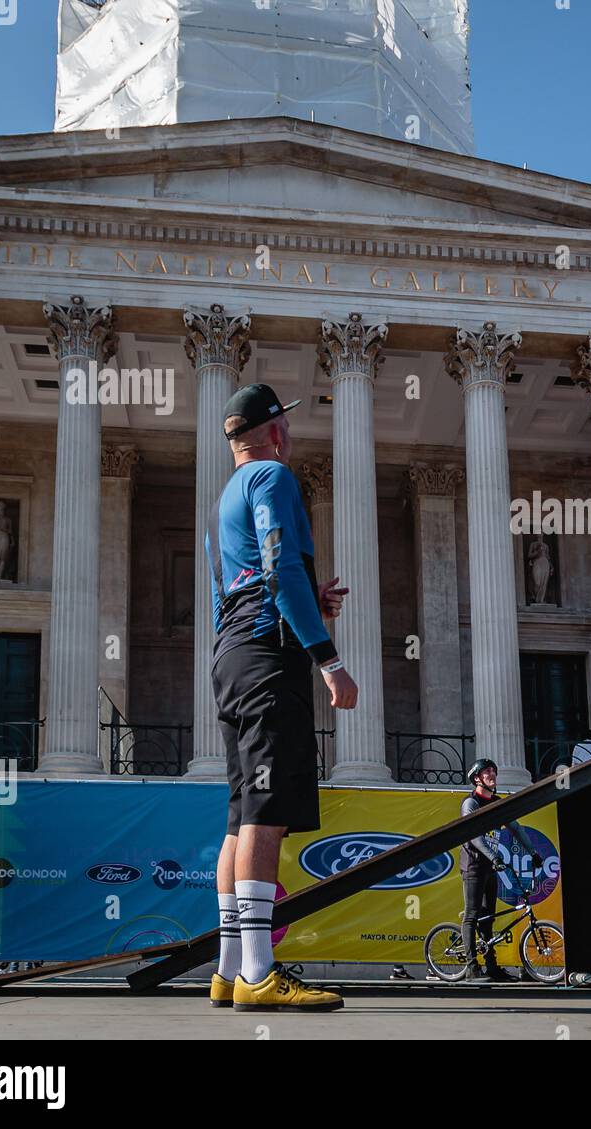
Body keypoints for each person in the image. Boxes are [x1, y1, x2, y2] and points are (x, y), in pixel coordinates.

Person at [204, 383, 359, 1013]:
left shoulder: (225, 497)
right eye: (285, 426)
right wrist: (330, 660)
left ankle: (228, 967)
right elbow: (279, 567)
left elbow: (240, 588)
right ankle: (260, 974)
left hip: (232, 653)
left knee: (242, 812)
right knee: (266, 809)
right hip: (268, 659)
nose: (288, 436)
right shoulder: (271, 479)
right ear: (273, 432)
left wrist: (303, 607)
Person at [459, 759, 541, 982]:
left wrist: (533, 853)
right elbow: (474, 836)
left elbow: (515, 828)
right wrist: (494, 857)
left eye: (494, 771)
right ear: (477, 778)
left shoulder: (497, 802)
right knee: (472, 915)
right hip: (474, 866)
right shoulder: (471, 803)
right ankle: (471, 968)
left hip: (490, 867)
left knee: (488, 918)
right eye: (487, 771)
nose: (492, 774)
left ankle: (492, 967)